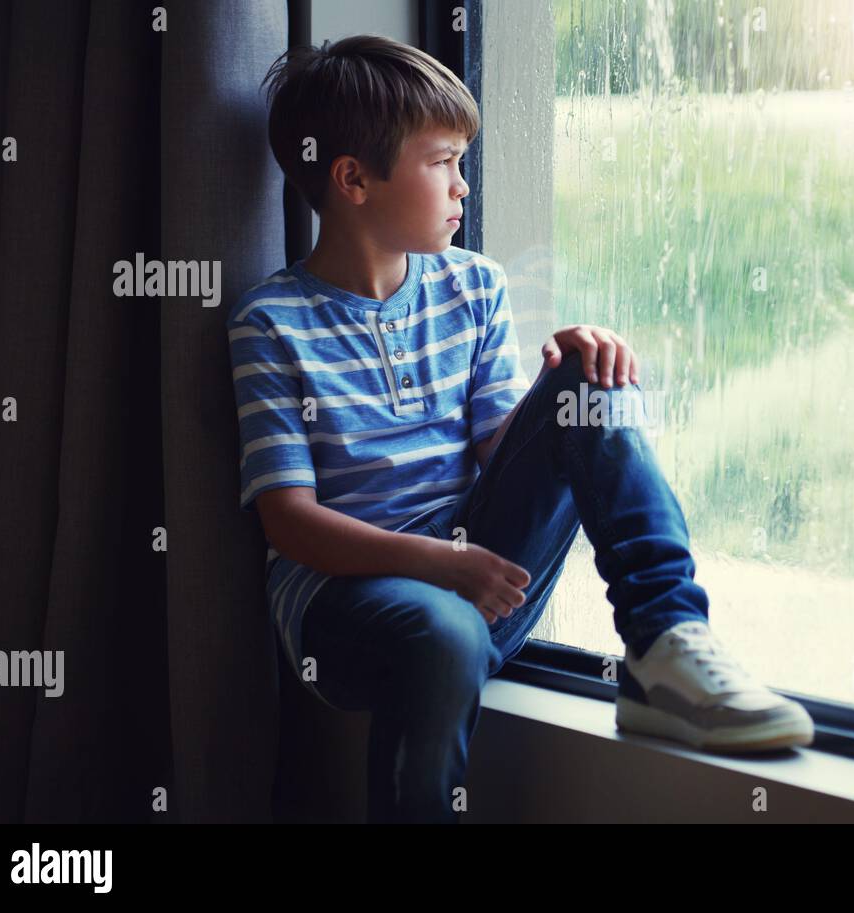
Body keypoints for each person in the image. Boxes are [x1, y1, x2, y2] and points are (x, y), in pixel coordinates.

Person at [228, 34, 813, 823]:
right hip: (347, 609)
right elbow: (289, 522)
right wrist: (442, 564)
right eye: (442, 164)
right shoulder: (271, 323)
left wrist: (555, 392)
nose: (463, 187)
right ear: (353, 178)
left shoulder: (473, 286)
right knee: (444, 632)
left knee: (585, 381)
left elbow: (495, 451)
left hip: (474, 565)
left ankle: (665, 643)